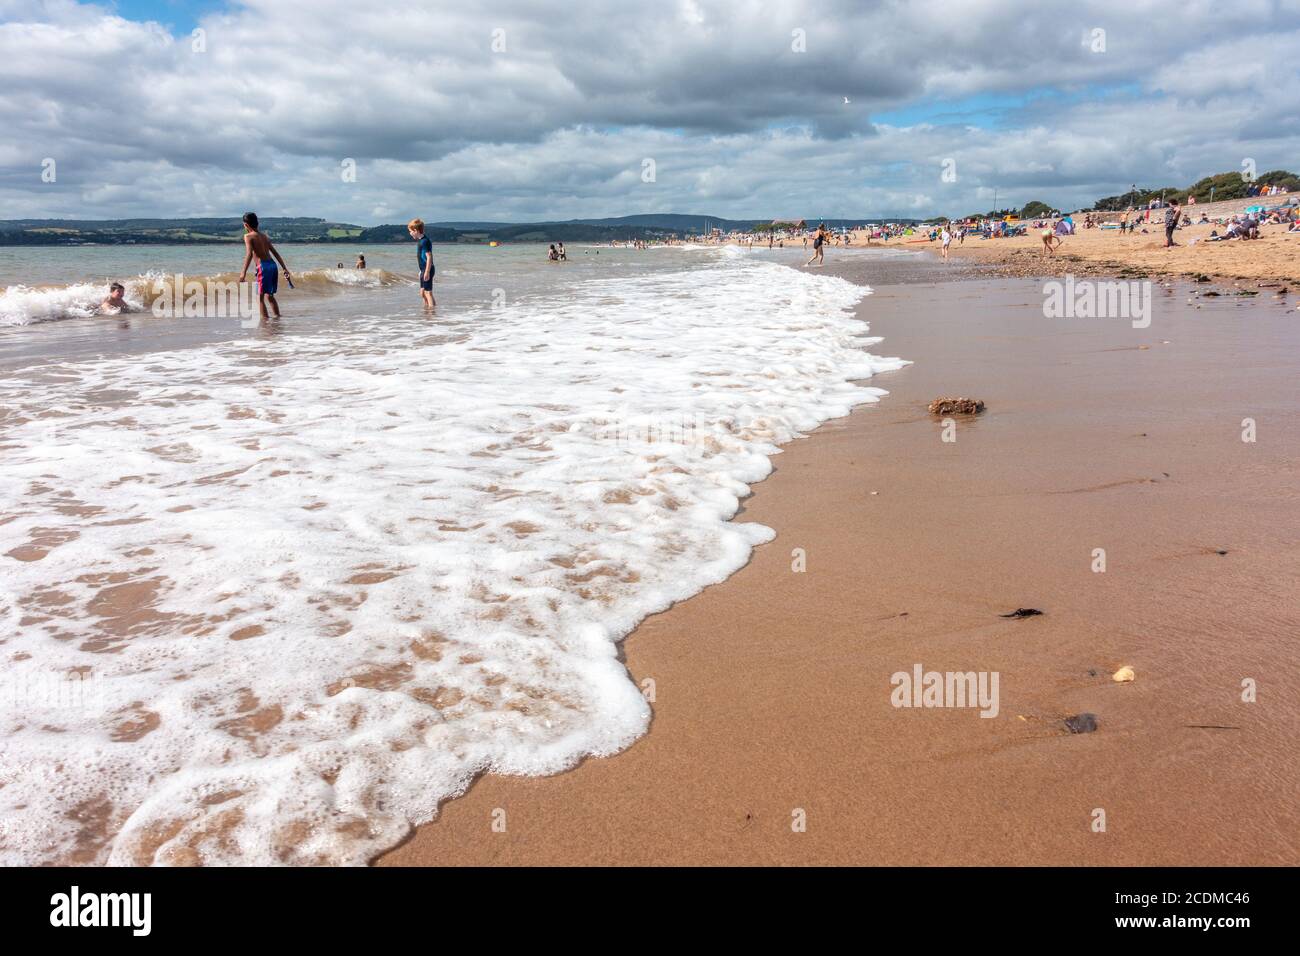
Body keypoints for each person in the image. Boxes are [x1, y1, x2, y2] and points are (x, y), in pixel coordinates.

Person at [238, 212, 292, 321]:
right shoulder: (264, 236)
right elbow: (275, 253)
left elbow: (249, 254)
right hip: (272, 265)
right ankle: (277, 319)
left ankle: (266, 323)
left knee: (259, 297)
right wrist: (284, 268)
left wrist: (243, 273)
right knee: (269, 295)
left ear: (246, 225)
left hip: (263, 267)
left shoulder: (248, 236)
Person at [408, 218, 434, 308]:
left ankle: (432, 311)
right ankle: (426, 309)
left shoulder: (425, 241)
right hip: (423, 269)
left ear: (416, 230)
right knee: (422, 293)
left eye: (410, 231)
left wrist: (427, 272)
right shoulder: (421, 240)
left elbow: (429, 257)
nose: (410, 233)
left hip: (428, 269)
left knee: (428, 293)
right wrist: (422, 270)